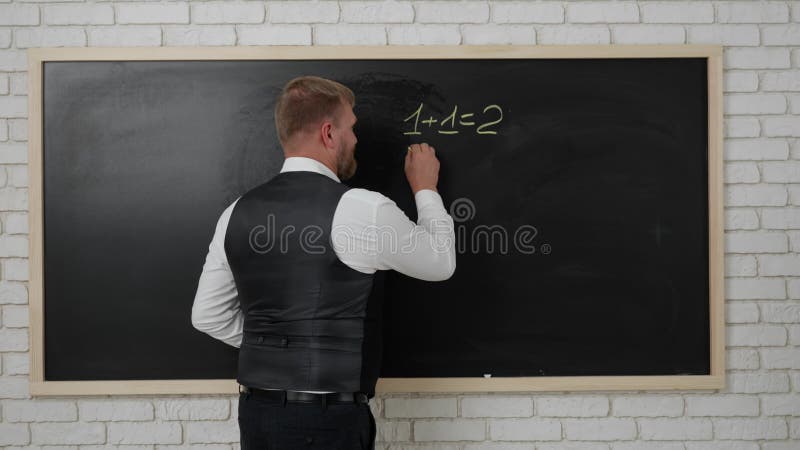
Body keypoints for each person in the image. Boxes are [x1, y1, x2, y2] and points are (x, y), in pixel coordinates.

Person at [191, 75, 456, 449]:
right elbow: (440, 262)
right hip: (327, 421)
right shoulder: (363, 208)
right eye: (352, 128)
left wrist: (279, 346)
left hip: (257, 415)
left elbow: (207, 315)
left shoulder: (235, 212)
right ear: (329, 133)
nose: (356, 139)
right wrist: (425, 189)